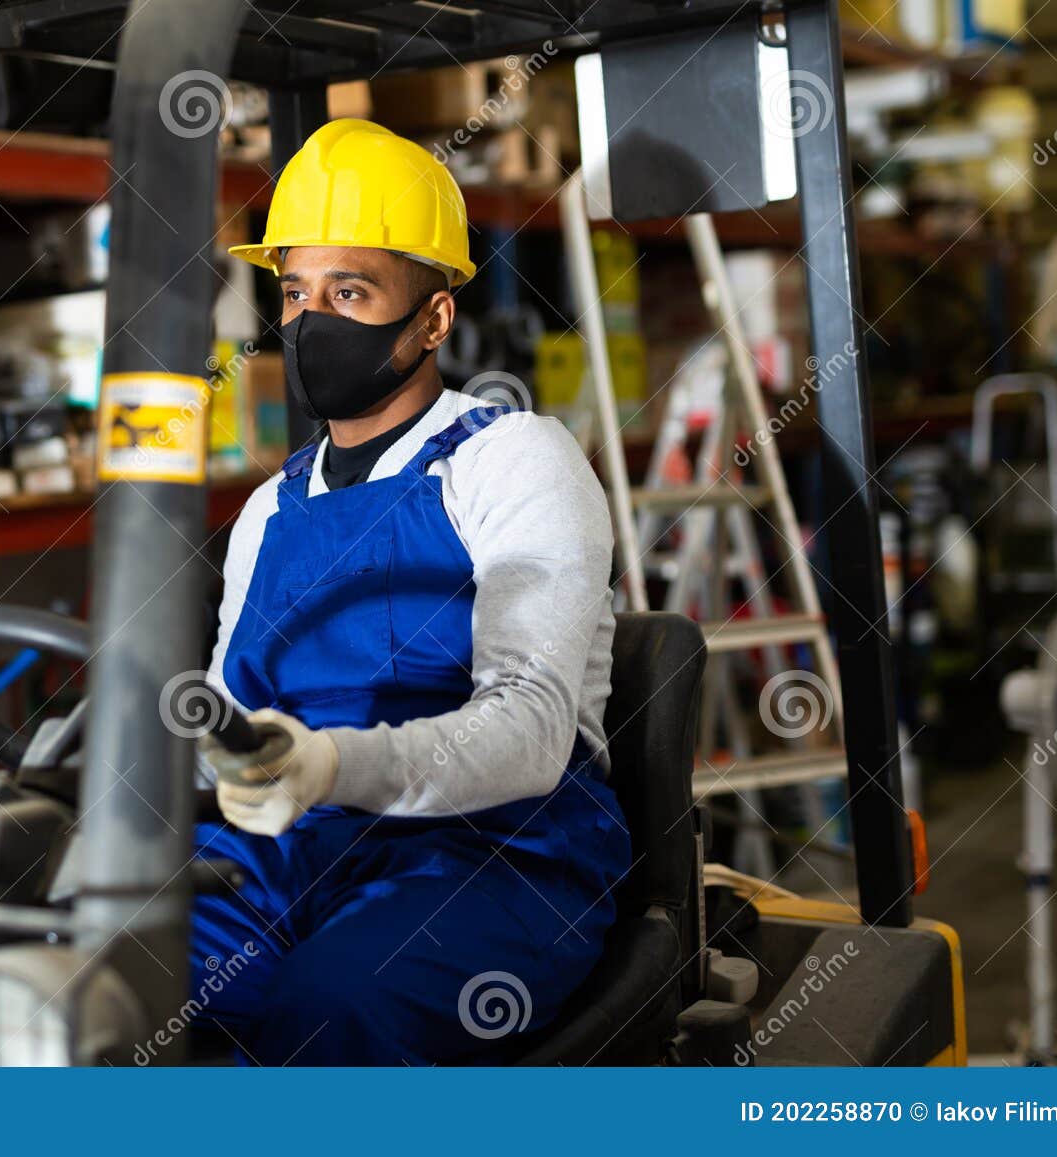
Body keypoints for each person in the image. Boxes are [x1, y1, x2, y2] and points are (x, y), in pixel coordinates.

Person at [191, 119, 629, 1065]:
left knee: (335, 1005)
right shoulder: (271, 507)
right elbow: (225, 727)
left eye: (350, 291)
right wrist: (52, 786)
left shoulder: (511, 458)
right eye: (296, 292)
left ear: (433, 318)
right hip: (294, 846)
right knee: (103, 964)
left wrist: (330, 765)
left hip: (495, 852)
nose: (312, 324)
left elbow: (530, 729)